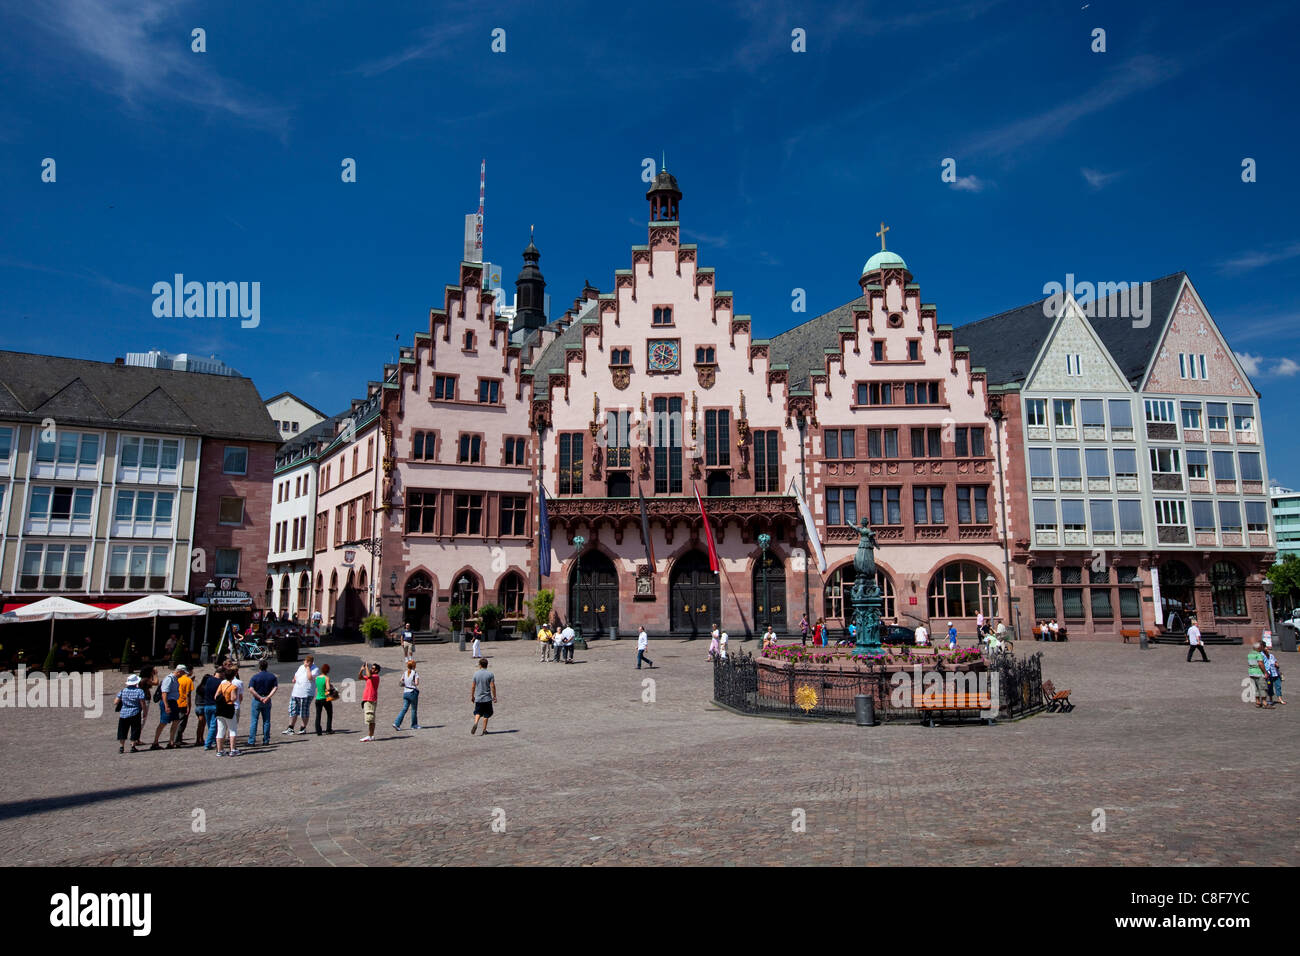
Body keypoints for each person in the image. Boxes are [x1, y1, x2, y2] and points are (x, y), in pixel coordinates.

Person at [149, 665, 183, 750]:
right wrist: (166, 705)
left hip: (174, 702)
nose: (183, 675)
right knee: (163, 722)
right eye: (182, 673)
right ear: (178, 671)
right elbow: (164, 693)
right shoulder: (169, 679)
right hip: (168, 702)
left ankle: (171, 741)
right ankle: (155, 742)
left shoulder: (175, 679)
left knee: (176, 720)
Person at [246, 659, 278, 747]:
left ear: (259, 667)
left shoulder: (255, 677)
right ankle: (266, 740)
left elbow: (251, 689)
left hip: (257, 699)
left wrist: (259, 697)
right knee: (266, 721)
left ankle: (251, 741)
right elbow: (275, 687)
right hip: (267, 699)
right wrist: (268, 697)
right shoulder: (272, 676)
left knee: (254, 720)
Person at [114, 674, 149, 754]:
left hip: (124, 713)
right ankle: (133, 746)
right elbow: (142, 703)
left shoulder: (123, 691)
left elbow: (115, 702)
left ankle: (121, 747)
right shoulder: (139, 691)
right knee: (135, 729)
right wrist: (145, 712)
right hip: (135, 712)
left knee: (122, 730)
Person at [285, 655, 318, 735]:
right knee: (293, 710)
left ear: (310, 662)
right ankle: (290, 728)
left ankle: (303, 728)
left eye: (307, 662)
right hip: (296, 692)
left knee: (304, 711)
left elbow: (310, 678)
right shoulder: (300, 667)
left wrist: (307, 668)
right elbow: (296, 675)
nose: (305, 663)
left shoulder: (315, 669)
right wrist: (294, 678)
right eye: (305, 661)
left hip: (306, 693)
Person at [213, 668, 240, 756]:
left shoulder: (222, 684)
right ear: (233, 676)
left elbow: (216, 696)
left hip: (220, 709)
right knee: (232, 729)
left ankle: (220, 750)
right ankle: (233, 749)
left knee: (220, 730)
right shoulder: (233, 687)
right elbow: (233, 698)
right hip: (229, 708)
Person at [195, 665, 221, 750]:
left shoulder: (200, 687)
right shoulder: (215, 684)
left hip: (204, 706)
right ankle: (208, 742)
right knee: (213, 725)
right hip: (211, 706)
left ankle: (200, 739)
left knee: (205, 725)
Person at [470, 658, 497, 735]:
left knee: (478, 712)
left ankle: (476, 722)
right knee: (486, 714)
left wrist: (472, 696)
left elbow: (473, 686)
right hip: (487, 698)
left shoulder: (476, 674)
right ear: (487, 665)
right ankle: (484, 730)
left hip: (478, 697)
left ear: (480, 665)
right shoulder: (490, 674)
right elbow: (492, 686)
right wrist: (494, 696)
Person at [393, 659, 421, 730]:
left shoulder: (405, 673)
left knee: (404, 709)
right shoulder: (415, 673)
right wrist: (412, 683)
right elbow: (417, 683)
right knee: (414, 709)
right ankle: (414, 725)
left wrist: (406, 683)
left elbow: (401, 681)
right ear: (414, 666)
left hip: (405, 692)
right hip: (412, 692)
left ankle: (397, 723)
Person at [359, 662, 381, 741]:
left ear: (376, 671)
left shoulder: (375, 677)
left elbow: (369, 676)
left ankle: (370, 736)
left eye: (373, 668)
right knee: (369, 718)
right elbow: (360, 677)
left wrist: (367, 668)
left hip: (371, 699)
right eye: (371, 668)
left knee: (370, 718)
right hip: (367, 699)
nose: (371, 669)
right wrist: (362, 670)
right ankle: (371, 736)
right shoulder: (370, 677)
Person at [172, 664, 194, 745]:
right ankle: (177, 739)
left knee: (176, 721)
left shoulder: (177, 678)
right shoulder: (188, 680)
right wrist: (189, 706)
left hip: (175, 702)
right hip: (183, 703)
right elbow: (188, 694)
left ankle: (177, 739)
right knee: (182, 723)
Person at [1247, 642, 1273, 708]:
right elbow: (1260, 664)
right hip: (1259, 673)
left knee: (1256, 688)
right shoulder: (1258, 655)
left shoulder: (1250, 654)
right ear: (1258, 648)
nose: (1262, 648)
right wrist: (1265, 672)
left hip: (1251, 673)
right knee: (1262, 687)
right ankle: (1265, 703)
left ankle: (1258, 702)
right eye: (1261, 647)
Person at [314, 664, 335, 734]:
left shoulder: (317, 678)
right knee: (329, 713)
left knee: (318, 715)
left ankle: (318, 730)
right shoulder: (326, 678)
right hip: (325, 698)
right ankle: (328, 729)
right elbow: (328, 688)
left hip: (318, 698)